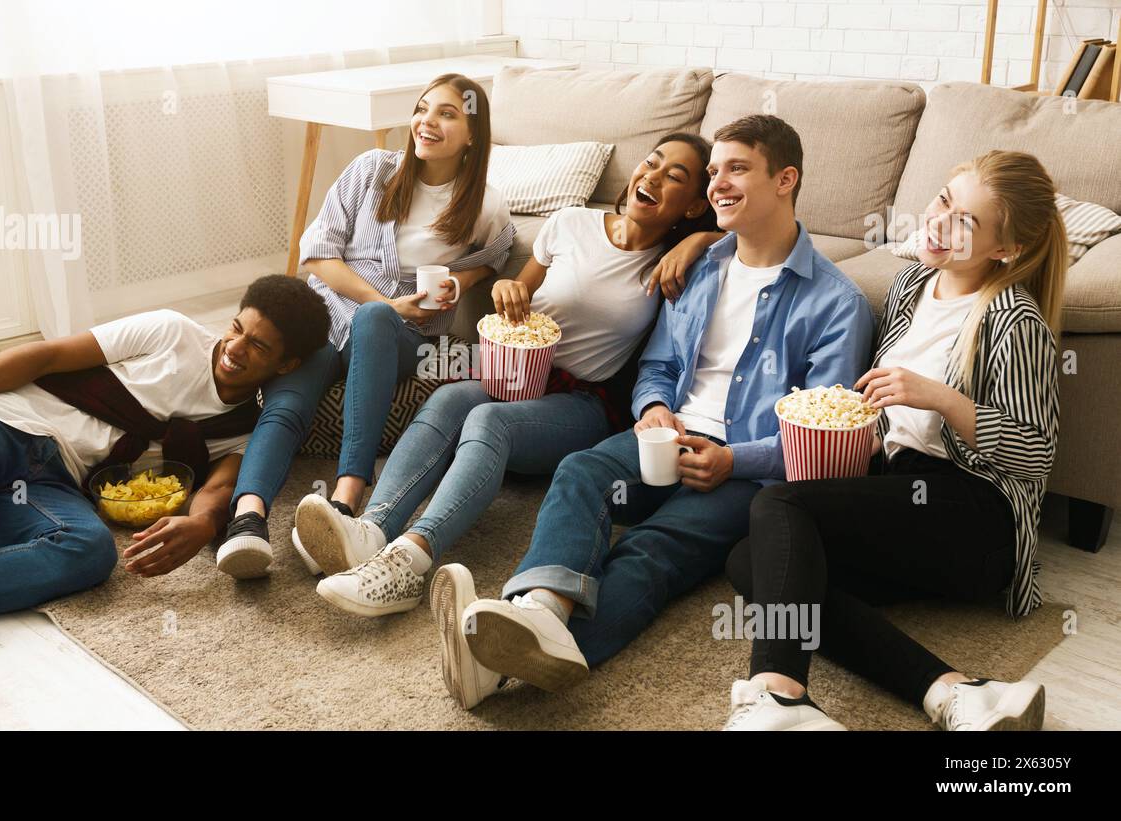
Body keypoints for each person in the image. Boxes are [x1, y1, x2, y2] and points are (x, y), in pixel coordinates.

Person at [431, 114, 875, 709]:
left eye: (737, 169)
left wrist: (731, 460)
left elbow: (825, 435)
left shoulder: (836, 302)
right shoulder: (696, 269)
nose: (718, 183)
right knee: (581, 472)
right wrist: (656, 410)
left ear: (785, 179)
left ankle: (508, 666)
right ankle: (540, 609)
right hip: (668, 436)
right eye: (714, 172)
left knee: (653, 550)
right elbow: (659, 366)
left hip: (745, 471)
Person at [300, 133, 722, 621]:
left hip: (579, 403)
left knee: (487, 421)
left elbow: (758, 241)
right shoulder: (570, 223)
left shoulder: (678, 264)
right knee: (449, 400)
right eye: (651, 163)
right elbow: (516, 292)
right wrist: (504, 288)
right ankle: (371, 529)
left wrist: (703, 239)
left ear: (694, 205)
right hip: (515, 371)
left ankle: (408, 562)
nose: (652, 176)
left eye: (674, 177)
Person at [721, 150, 1066, 731]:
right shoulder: (912, 286)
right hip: (904, 492)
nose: (938, 222)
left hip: (977, 517)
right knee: (754, 563)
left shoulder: (1014, 318)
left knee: (778, 504)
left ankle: (777, 694)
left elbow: (1035, 452)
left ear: (1004, 249)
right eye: (943, 201)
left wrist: (941, 397)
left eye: (966, 222)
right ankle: (955, 693)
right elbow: (891, 415)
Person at [0, 276, 329, 650]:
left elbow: (219, 489)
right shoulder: (170, 333)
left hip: (50, 486)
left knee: (90, 552)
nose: (234, 349)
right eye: (236, 328)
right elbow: (44, 357)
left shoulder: (245, 427)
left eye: (256, 346)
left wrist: (200, 523)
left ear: (286, 366)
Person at [214, 73, 515, 578]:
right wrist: (383, 300)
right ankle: (248, 522)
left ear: (472, 136)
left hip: (403, 339)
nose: (427, 121)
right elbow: (317, 254)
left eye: (447, 113)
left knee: (376, 319)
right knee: (291, 399)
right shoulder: (371, 171)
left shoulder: (483, 204)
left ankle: (346, 501)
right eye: (422, 109)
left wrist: (458, 284)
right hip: (327, 322)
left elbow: (499, 253)